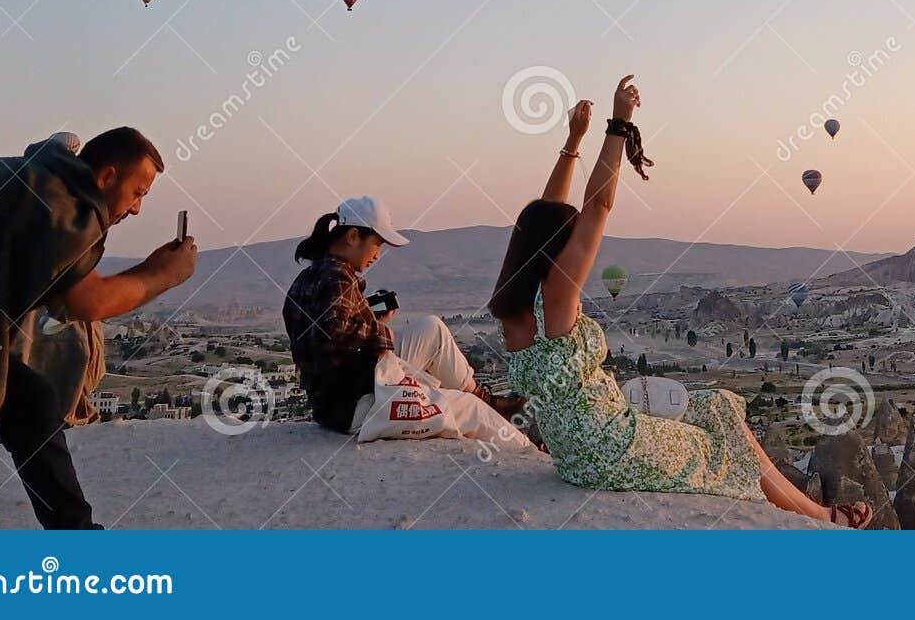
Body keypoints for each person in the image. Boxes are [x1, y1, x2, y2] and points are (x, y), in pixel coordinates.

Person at [491, 77, 872, 528]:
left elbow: (544, 216)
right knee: (720, 444)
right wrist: (619, 125)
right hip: (611, 446)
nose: (578, 245)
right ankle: (823, 516)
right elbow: (598, 206)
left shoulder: (517, 308)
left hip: (574, 455)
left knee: (715, 405)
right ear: (557, 248)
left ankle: (817, 511)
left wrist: (573, 142)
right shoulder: (557, 299)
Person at [0, 128, 194, 530]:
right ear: (107, 177)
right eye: (138, 193)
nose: (137, 208)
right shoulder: (57, 205)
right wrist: (165, 275)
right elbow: (86, 302)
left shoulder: (47, 184)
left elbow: (64, 292)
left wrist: (151, 271)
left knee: (32, 404)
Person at [282, 196, 524, 445]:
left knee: (432, 328)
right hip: (358, 402)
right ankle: (527, 449)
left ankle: (488, 399)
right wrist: (379, 330)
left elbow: (326, 334)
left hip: (336, 401)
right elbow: (333, 331)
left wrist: (370, 317)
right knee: (471, 409)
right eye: (377, 244)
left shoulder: (307, 278)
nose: (378, 254)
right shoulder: (337, 278)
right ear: (353, 236)